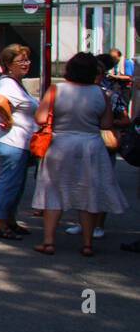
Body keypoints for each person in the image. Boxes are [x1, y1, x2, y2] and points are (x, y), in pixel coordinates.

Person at [30, 52, 129, 257]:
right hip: (91, 146)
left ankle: (49, 242)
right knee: (89, 194)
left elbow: (40, 118)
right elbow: (106, 124)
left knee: (53, 193)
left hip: (60, 144)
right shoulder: (100, 93)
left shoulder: (57, 89)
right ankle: (87, 244)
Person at [0, 44, 36, 240]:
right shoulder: (7, 83)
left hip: (17, 142)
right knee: (8, 184)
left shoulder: (16, 82)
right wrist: (8, 119)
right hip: (11, 142)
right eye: (21, 61)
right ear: (8, 64)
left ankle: (9, 220)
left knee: (16, 184)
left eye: (27, 60)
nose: (26, 64)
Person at [105, 48, 134, 119]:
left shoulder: (126, 62)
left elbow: (129, 77)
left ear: (119, 56)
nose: (113, 59)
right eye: (111, 57)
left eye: (114, 57)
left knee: (123, 105)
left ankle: (124, 121)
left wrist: (115, 76)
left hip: (125, 88)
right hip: (115, 87)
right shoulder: (113, 64)